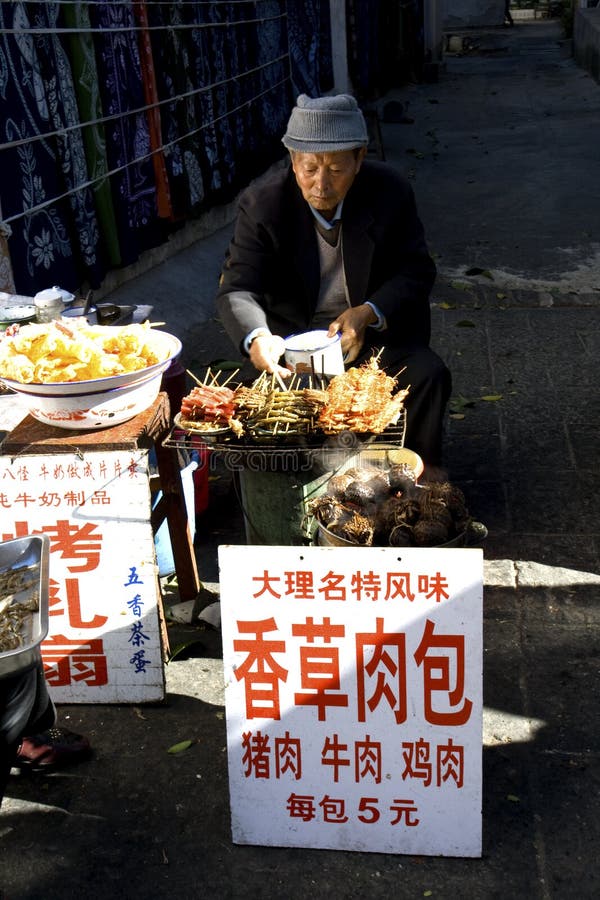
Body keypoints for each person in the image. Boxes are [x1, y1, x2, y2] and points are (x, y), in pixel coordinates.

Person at [216, 93, 451, 467]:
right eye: (309, 168)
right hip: (293, 350)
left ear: (359, 159)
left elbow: (416, 270)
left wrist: (368, 313)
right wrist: (258, 337)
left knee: (428, 374)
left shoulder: (390, 192)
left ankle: (418, 483)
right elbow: (238, 286)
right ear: (293, 163)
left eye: (336, 170)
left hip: (370, 343)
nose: (321, 184)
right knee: (256, 413)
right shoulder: (262, 205)